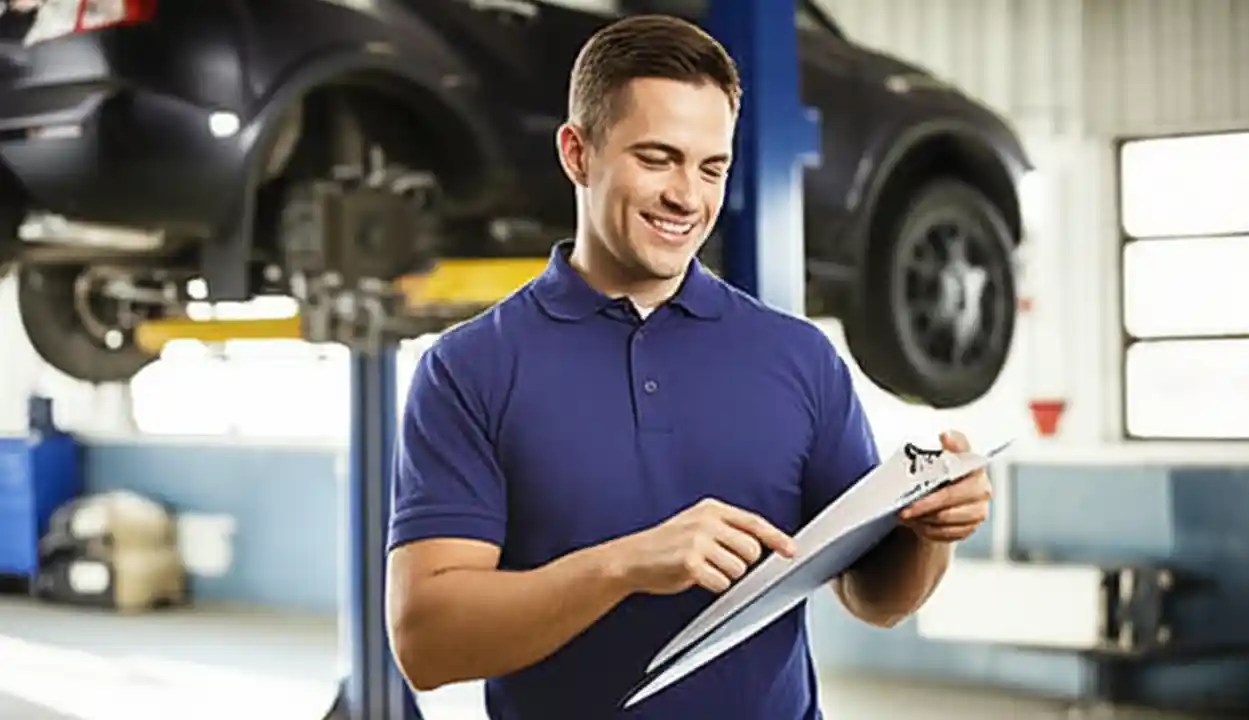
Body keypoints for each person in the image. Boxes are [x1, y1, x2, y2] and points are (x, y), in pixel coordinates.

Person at [385, 13, 992, 720]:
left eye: (712, 168)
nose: (688, 197)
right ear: (577, 153)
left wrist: (930, 530)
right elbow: (427, 644)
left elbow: (874, 598)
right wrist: (626, 565)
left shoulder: (797, 358)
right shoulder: (470, 369)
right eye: (656, 159)